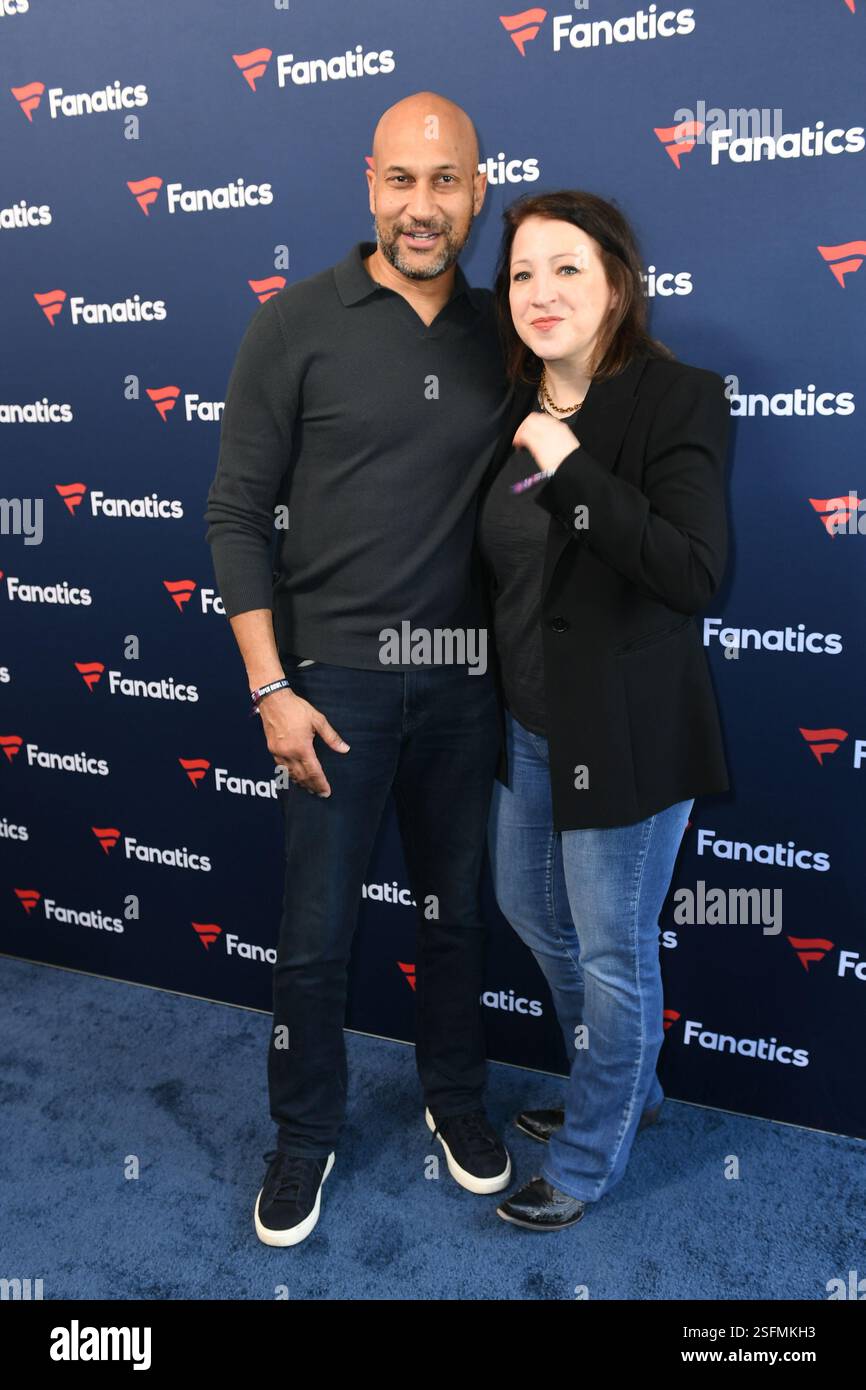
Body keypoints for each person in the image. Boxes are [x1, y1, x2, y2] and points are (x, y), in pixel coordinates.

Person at [204, 92, 514, 1247]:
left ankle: (458, 1103)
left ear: (477, 191)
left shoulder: (504, 332)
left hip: (463, 684)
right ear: (367, 182)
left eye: (445, 182)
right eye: (402, 181)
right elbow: (236, 512)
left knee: (455, 923)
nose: (421, 207)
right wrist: (269, 685)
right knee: (315, 935)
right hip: (327, 686)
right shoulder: (292, 324)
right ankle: (300, 1140)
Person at [475, 189, 731, 1231]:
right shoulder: (504, 403)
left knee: (610, 954)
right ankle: (624, 1087)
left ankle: (586, 1157)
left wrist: (568, 463)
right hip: (529, 727)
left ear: (616, 285)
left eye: (567, 267)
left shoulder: (676, 398)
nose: (540, 291)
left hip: (623, 735)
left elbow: (690, 570)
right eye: (523, 272)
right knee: (530, 908)